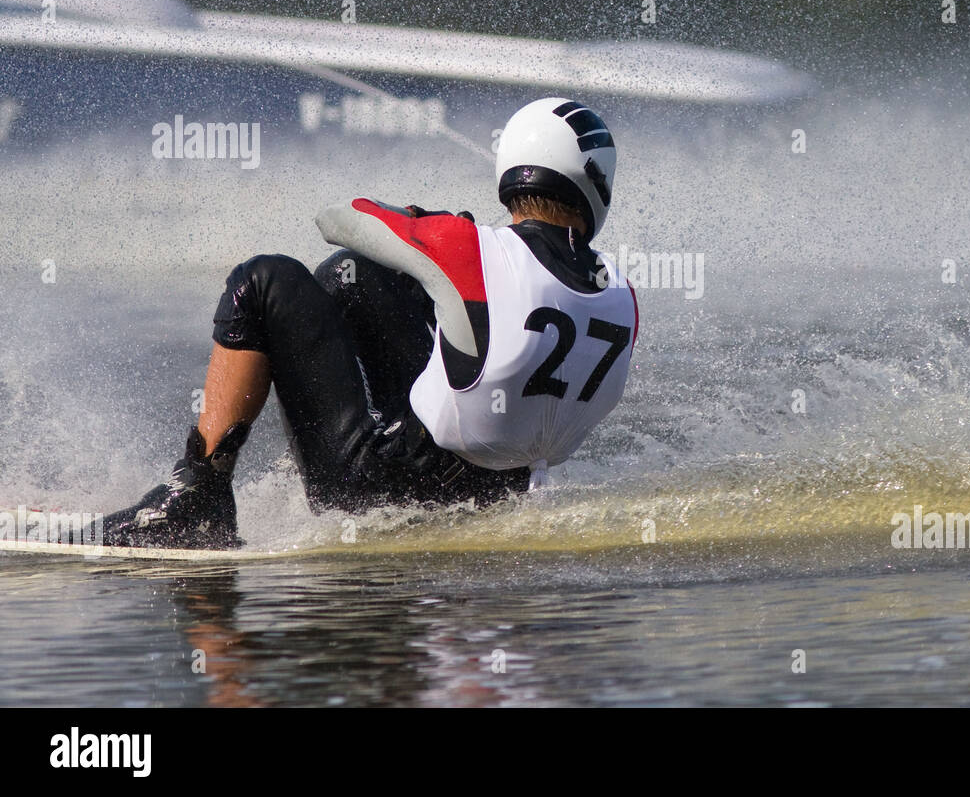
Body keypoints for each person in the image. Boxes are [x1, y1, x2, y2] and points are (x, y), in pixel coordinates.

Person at [103, 97, 638, 549]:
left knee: (267, 281)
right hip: (496, 494)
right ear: (597, 185)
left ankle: (198, 495)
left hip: (378, 490)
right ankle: (328, 442)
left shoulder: (465, 245)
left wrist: (424, 225)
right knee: (356, 277)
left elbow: (337, 218)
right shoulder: (622, 294)